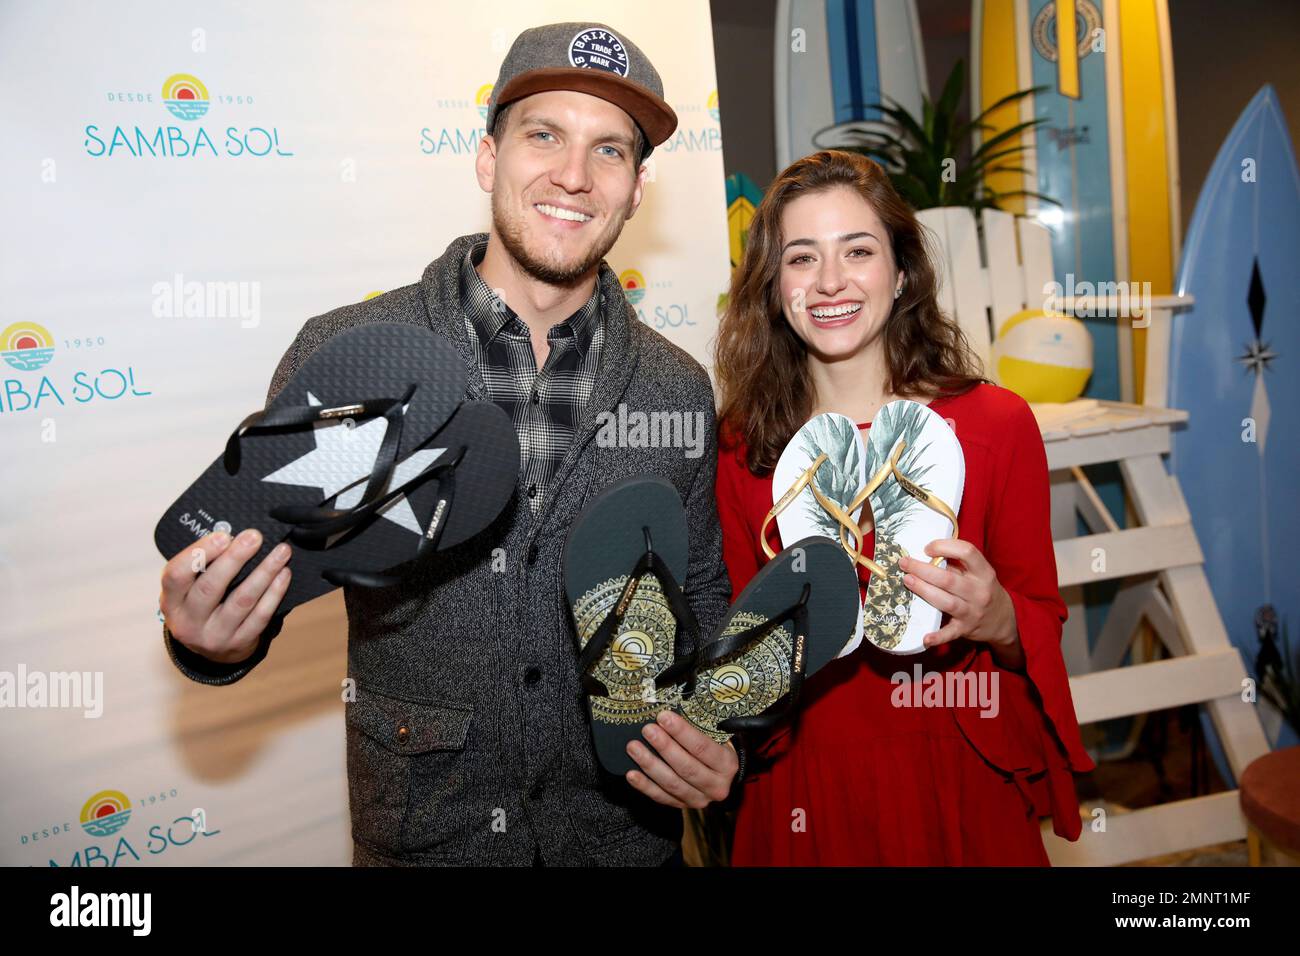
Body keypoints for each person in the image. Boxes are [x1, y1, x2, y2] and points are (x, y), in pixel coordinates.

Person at [157, 21, 738, 866]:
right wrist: (211, 639)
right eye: (544, 135)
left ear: (637, 188)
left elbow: (702, 590)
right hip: (430, 841)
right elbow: (263, 565)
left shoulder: (677, 386)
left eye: (609, 150)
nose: (573, 175)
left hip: (624, 842)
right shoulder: (351, 350)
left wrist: (721, 731)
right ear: (486, 157)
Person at [712, 149, 1095, 865]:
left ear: (901, 271)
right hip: (805, 784)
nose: (830, 281)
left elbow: (1037, 619)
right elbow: (733, 646)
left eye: (858, 250)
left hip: (958, 776)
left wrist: (998, 616)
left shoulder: (996, 425)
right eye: (801, 258)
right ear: (772, 286)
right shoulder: (740, 449)